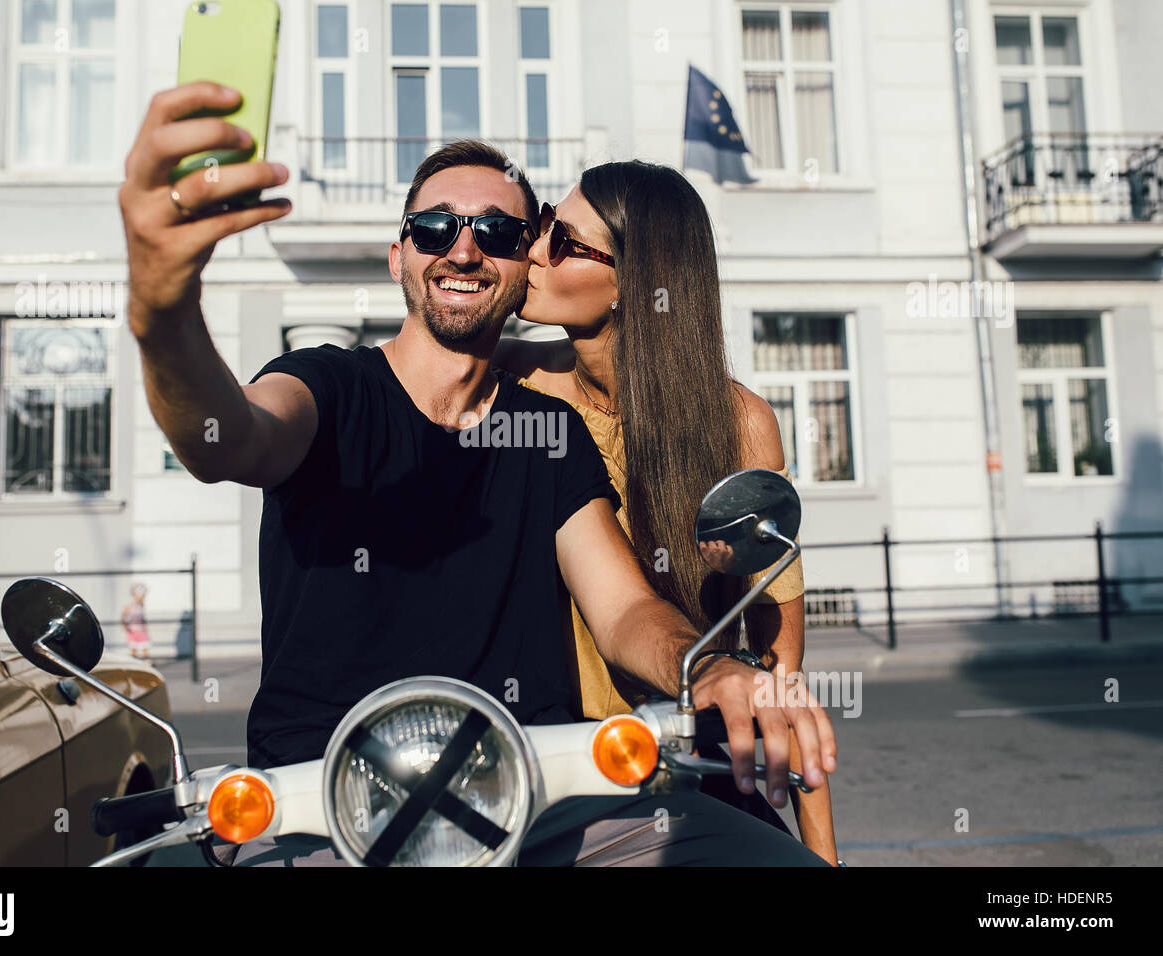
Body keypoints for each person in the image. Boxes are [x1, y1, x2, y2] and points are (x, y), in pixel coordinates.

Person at [117, 81, 836, 865]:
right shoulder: (326, 387)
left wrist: (714, 669)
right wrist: (163, 311)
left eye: (497, 230)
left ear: (523, 265)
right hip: (324, 806)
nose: (464, 248)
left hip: (539, 801)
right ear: (401, 255)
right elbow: (226, 438)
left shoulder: (550, 428)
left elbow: (627, 609)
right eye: (434, 227)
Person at [494, 161, 839, 864]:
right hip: (542, 770)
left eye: (561, 239)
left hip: (681, 765)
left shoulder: (738, 424)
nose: (531, 248)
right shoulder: (507, 385)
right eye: (539, 227)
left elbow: (778, 671)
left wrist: (826, 856)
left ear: (632, 284)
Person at [120, 582, 151, 660]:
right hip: (132, 631)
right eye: (140, 595)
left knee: (144, 648)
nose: (142, 597)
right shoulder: (130, 605)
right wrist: (123, 625)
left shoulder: (141, 604)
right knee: (133, 649)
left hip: (141, 631)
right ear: (134, 595)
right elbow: (123, 615)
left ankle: (146, 662)